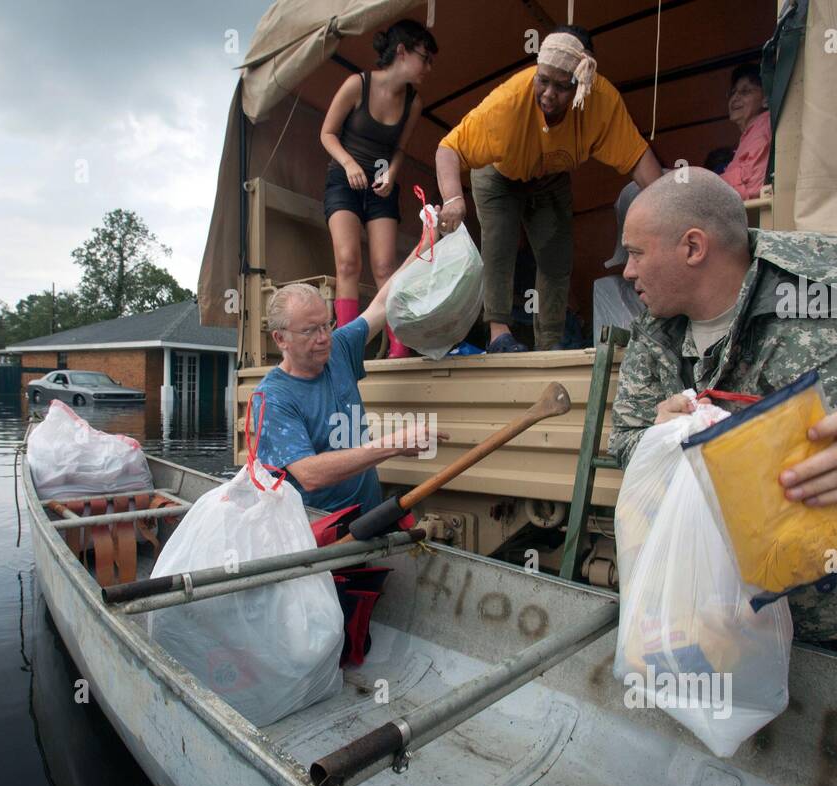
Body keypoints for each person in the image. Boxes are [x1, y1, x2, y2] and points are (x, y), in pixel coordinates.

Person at [609, 167, 837, 657]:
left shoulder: (828, 329)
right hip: (703, 609)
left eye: (636, 253)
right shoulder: (654, 332)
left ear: (693, 248)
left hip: (819, 631)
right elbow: (626, 440)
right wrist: (659, 440)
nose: (627, 271)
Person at [434, 26, 662, 352]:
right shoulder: (509, 101)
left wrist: (671, 208)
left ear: (584, 81)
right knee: (500, 241)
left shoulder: (603, 102)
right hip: (499, 173)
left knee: (557, 256)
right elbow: (448, 148)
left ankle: (551, 343)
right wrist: (453, 198)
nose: (548, 94)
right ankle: (499, 334)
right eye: (543, 80)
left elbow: (638, 158)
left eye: (562, 86)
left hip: (549, 176)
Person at [253, 269, 448, 515]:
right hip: (317, 536)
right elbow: (309, 474)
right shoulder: (272, 397)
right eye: (309, 330)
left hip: (365, 523)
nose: (323, 338)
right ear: (280, 338)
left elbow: (381, 304)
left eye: (326, 324)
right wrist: (394, 444)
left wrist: (428, 241)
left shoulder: (338, 349)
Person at [320, 19, 437, 359]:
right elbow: (327, 133)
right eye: (425, 57)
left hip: (381, 188)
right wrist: (350, 164)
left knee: (386, 266)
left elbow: (400, 149)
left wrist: (392, 174)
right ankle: (347, 350)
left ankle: (398, 349)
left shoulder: (414, 101)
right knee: (347, 263)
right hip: (344, 180)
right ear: (402, 51)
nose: (428, 67)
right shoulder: (357, 84)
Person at [719, 63, 770, 200]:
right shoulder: (750, 134)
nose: (735, 98)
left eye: (745, 92)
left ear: (766, 99)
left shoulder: (764, 126)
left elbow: (754, 187)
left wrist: (710, 183)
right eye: (733, 92)